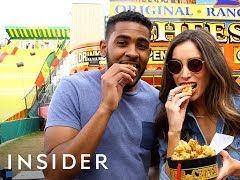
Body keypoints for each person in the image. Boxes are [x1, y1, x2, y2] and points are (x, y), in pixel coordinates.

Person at [155, 29, 240, 179]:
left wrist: (238, 169)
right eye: (176, 66)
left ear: (212, 66)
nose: (184, 75)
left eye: (194, 64)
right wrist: (174, 132)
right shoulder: (169, 115)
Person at [44, 11, 160, 179]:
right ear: (104, 48)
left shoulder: (156, 99)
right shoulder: (72, 88)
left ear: (148, 53)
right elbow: (53, 172)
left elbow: (152, 165)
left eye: (141, 46)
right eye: (122, 43)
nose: (133, 53)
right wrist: (105, 108)